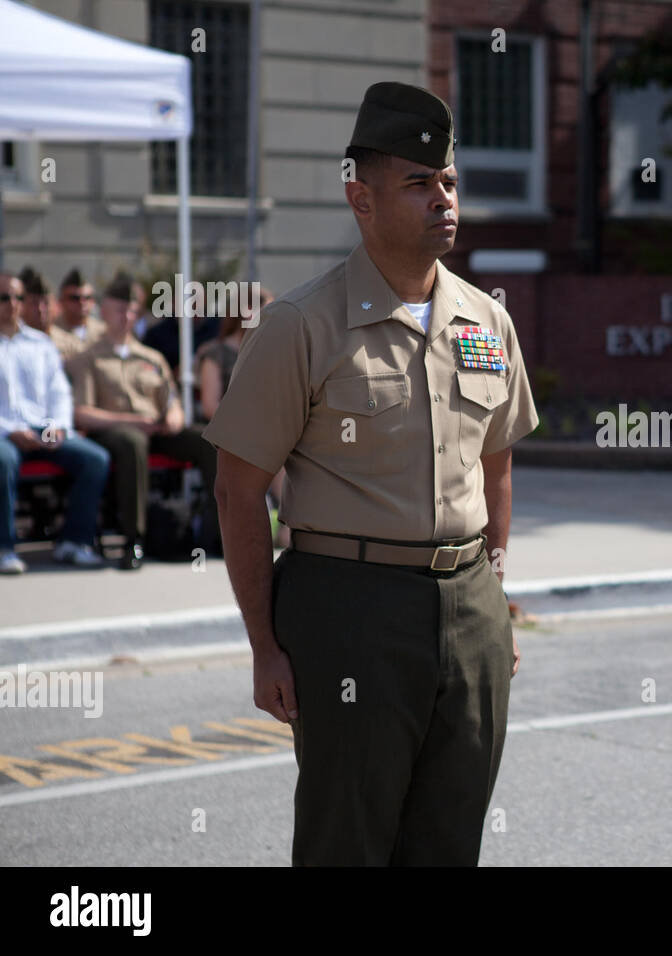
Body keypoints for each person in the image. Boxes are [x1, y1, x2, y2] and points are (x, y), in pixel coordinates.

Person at [203, 81, 539, 866]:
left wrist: (492, 591)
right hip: (349, 611)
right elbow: (237, 489)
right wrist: (264, 646)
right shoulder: (301, 324)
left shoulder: (487, 321)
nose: (442, 200)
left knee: (450, 841)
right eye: (419, 184)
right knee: (346, 842)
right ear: (361, 198)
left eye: (449, 183)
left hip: (470, 614)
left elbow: (498, 468)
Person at [65, 275, 221, 570]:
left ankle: (215, 532)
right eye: (118, 311)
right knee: (132, 442)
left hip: (155, 429)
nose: (125, 317)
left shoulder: (151, 357)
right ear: (105, 313)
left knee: (209, 441)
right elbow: (81, 413)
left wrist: (173, 417)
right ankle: (133, 538)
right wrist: (133, 421)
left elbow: (170, 399)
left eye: (131, 311)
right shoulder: (88, 358)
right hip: (113, 433)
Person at [0, 272, 110, 573]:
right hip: (5, 433)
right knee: (3, 459)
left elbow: (59, 392)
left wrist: (59, 427)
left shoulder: (40, 344)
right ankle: (4, 548)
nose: (12, 304)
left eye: (18, 297)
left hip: (43, 428)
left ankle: (75, 542)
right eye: (4, 297)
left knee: (95, 459)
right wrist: (11, 431)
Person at [196, 287, 290, 549]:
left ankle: (290, 522)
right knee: (271, 453)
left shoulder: (270, 351)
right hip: (227, 432)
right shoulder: (216, 353)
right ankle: (285, 523)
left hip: (268, 430)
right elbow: (209, 406)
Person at [17, 267, 79, 361]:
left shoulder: (70, 344)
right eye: (34, 303)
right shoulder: (11, 342)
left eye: (46, 303)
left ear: (56, 307)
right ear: (22, 307)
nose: (40, 309)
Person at [54, 268, 107, 358]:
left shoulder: (104, 332)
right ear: (61, 301)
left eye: (87, 298)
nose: (82, 302)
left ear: (93, 301)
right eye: (75, 298)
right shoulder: (52, 330)